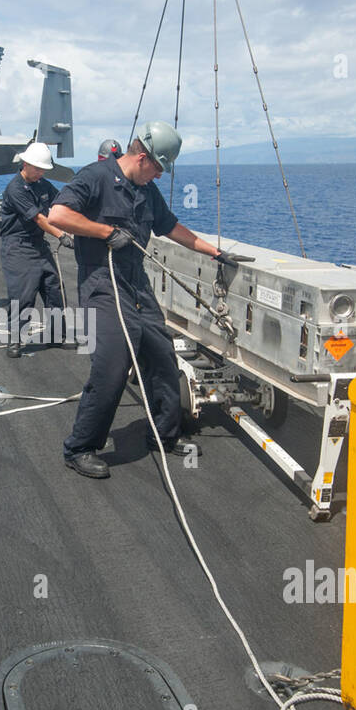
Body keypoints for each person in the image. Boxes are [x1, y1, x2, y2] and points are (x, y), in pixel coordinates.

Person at [48, 121, 234, 479]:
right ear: (143, 157)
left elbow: (170, 226)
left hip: (137, 286)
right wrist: (105, 231)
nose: (161, 176)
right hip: (103, 283)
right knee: (112, 364)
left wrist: (215, 252)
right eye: (160, 168)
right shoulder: (95, 177)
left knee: (162, 356)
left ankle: (162, 436)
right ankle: (80, 447)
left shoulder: (147, 192)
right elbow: (59, 214)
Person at [0, 141, 71, 357]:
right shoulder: (15, 188)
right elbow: (39, 218)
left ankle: (56, 335)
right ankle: (15, 340)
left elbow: (61, 202)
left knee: (54, 289)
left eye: (43, 169)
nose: (41, 172)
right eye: (38, 168)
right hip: (18, 246)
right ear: (25, 163)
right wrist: (61, 235)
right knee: (23, 296)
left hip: (39, 245)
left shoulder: (42, 184)